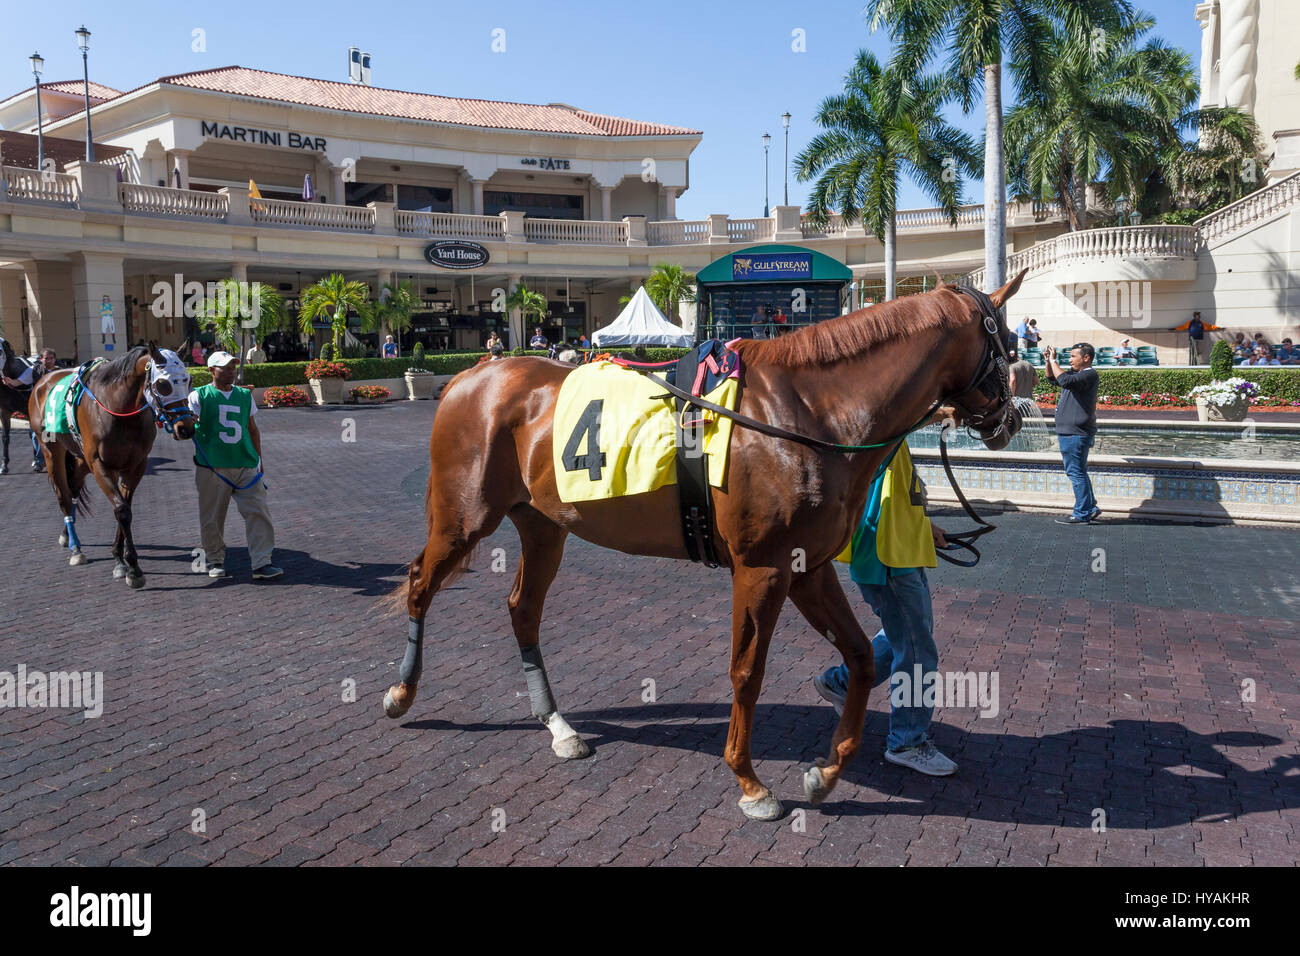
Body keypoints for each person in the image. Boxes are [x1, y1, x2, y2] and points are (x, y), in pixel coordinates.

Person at [811, 438, 957, 776]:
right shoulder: (888, 421)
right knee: (917, 648)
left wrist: (924, 525)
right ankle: (906, 742)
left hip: (895, 551)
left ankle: (840, 683)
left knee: (904, 637)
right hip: (888, 557)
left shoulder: (893, 424)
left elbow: (892, 488)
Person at [187, 351, 281, 581]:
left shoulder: (243, 395)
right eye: (224, 367)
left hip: (245, 464)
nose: (230, 370)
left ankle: (262, 562)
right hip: (213, 467)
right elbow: (187, 426)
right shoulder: (198, 396)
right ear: (211, 371)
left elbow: (252, 428)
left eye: (232, 366)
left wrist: (259, 460)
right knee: (212, 517)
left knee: (258, 511)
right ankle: (215, 560)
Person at [1045, 343, 1100, 525]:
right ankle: (1090, 507)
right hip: (1071, 432)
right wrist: (1048, 362)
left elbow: (1065, 381)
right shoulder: (1076, 374)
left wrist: (1054, 360)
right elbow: (1053, 379)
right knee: (1079, 471)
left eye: (1073, 356)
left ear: (1086, 358)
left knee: (1075, 472)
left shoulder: (1089, 375)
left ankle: (1082, 513)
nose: (1070, 360)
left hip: (1075, 433)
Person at [3, 347, 56, 472]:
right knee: (35, 434)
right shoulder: (34, 370)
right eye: (46, 358)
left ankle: (51, 458)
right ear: (40, 359)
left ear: (55, 359)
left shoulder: (60, 371)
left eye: (51, 358)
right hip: (39, 408)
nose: (48, 361)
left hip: (53, 408)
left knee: (50, 435)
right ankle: (41, 459)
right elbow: (18, 382)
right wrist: (9, 382)